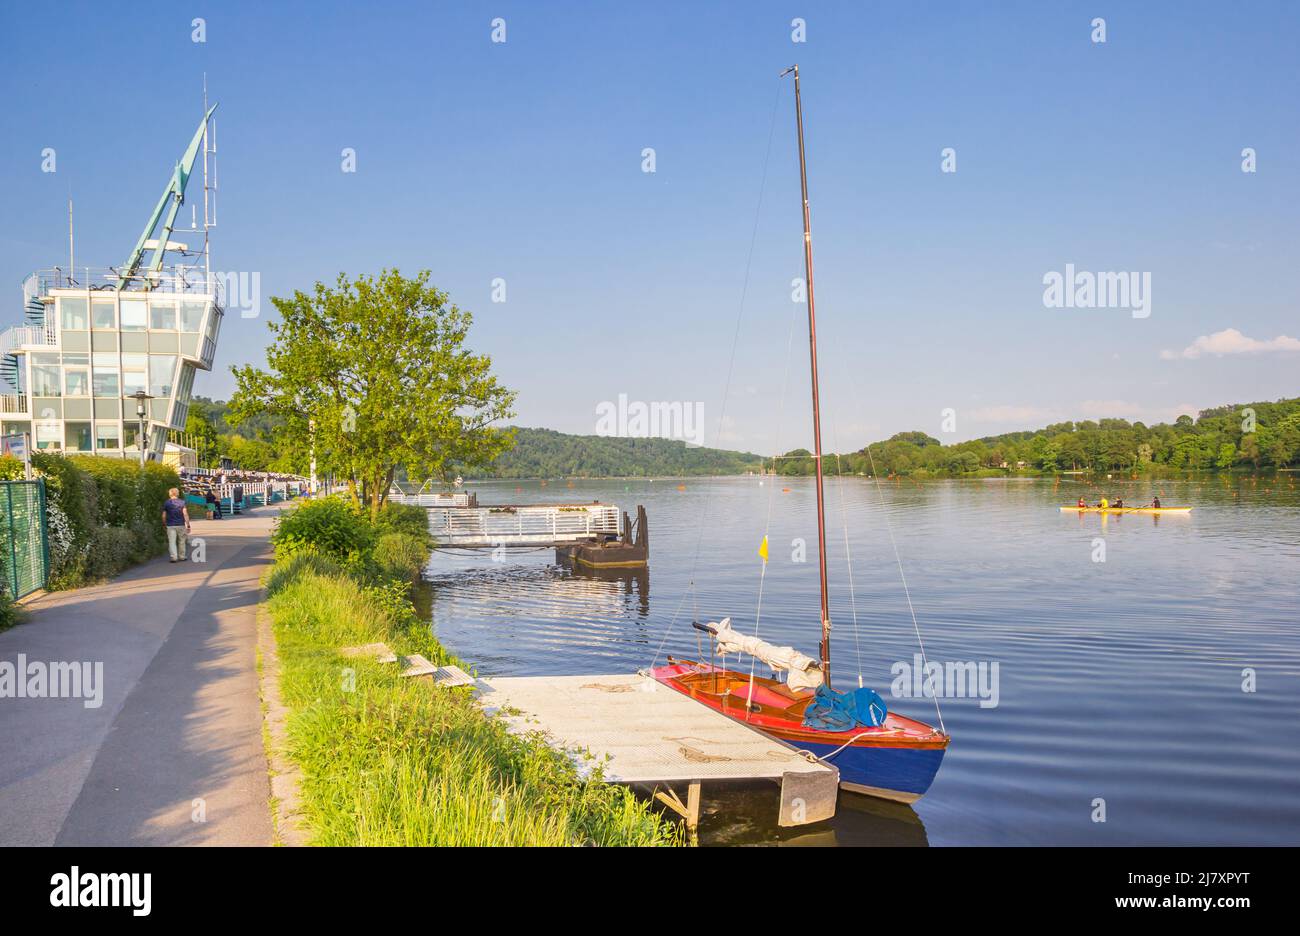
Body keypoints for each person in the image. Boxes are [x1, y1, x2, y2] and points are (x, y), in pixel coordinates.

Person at [162, 487, 191, 563]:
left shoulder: (167, 503)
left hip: (170, 525)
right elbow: (185, 514)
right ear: (177, 493)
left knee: (172, 541)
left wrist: (164, 524)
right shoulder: (182, 502)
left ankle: (174, 557)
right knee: (181, 541)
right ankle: (182, 556)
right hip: (181, 524)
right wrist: (188, 525)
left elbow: (164, 515)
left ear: (170, 494)